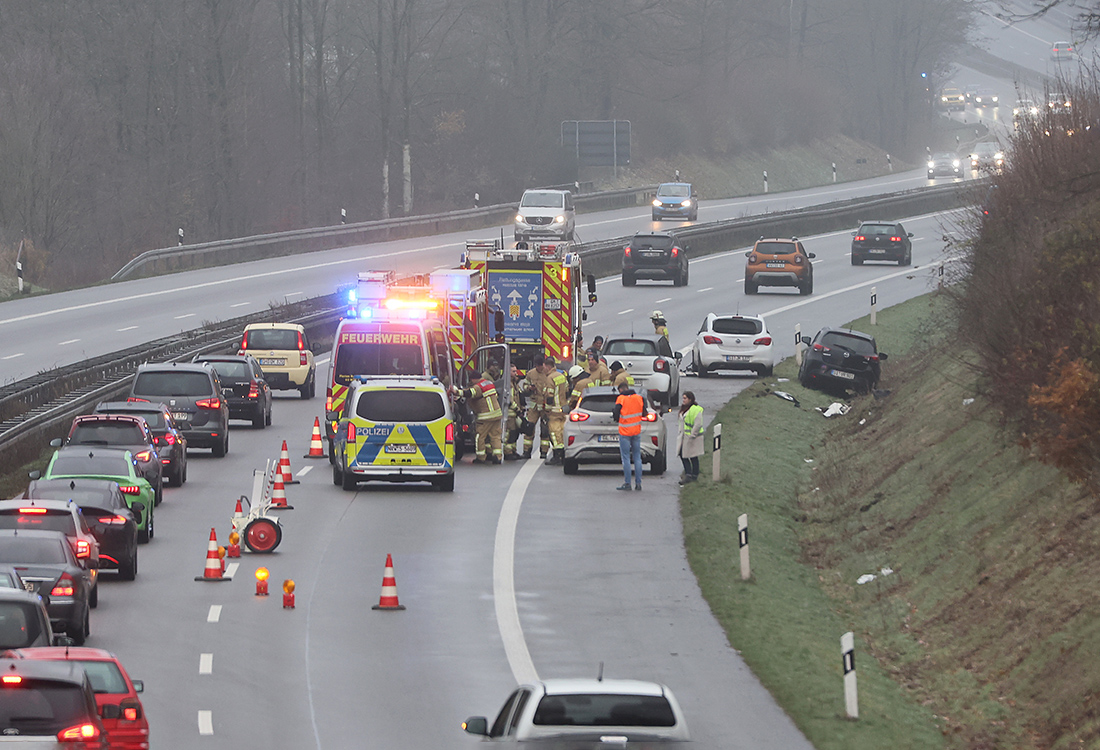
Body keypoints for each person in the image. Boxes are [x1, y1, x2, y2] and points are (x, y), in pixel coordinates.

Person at [455, 372, 503, 464]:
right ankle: (497, 457)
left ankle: (481, 457)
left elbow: (469, 393)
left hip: (485, 417)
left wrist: (457, 392)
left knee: (479, 437)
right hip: (496, 414)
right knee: (495, 436)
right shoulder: (489, 383)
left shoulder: (478, 387)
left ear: (473, 379)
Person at [612, 381, 645, 491]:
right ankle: (638, 483)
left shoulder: (621, 399)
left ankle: (627, 483)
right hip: (636, 431)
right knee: (637, 457)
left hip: (625, 431)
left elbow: (616, 413)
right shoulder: (639, 398)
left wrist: (617, 418)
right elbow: (644, 413)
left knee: (626, 457)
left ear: (621, 389)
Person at [521, 354, 550, 459]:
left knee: (545, 430)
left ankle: (544, 452)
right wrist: (529, 388)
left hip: (544, 406)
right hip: (533, 407)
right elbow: (524, 386)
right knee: (529, 429)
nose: (539, 368)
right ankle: (526, 451)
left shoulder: (547, 373)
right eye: (537, 366)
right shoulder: (530, 374)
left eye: (540, 366)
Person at [543, 357, 570, 465]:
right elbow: (567, 391)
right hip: (563, 409)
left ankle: (557, 455)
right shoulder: (561, 376)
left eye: (544, 367)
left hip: (554, 410)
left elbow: (549, 397)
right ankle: (564, 455)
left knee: (554, 432)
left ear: (548, 366)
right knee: (562, 431)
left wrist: (547, 410)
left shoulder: (550, 378)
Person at [676, 391, 704, 484]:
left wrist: (693, 435)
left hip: (692, 437)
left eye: (685, 398)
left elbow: (698, 424)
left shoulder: (695, 410)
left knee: (692, 456)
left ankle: (692, 475)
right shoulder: (684, 409)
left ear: (690, 399)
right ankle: (690, 474)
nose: (683, 400)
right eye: (683, 398)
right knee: (684, 454)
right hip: (685, 436)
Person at [503, 365, 527, 460]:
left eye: (516, 371)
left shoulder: (514, 384)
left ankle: (513, 451)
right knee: (510, 434)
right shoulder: (508, 384)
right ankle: (508, 453)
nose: (516, 373)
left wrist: (522, 407)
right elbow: (509, 400)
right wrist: (517, 409)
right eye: (513, 371)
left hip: (515, 414)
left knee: (515, 433)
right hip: (510, 414)